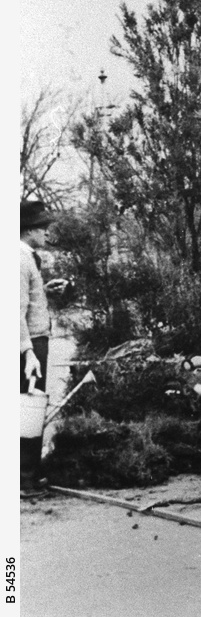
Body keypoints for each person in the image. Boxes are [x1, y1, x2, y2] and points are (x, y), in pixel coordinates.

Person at [20, 199, 55, 495]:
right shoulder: (18, 259)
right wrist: (28, 352)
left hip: (35, 341)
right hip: (29, 345)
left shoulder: (27, 257)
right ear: (28, 229)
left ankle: (28, 474)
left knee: (30, 406)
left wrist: (47, 291)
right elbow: (13, 311)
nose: (46, 233)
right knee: (28, 409)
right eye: (43, 228)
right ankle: (24, 478)